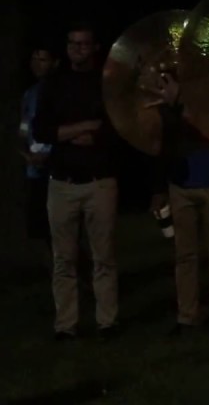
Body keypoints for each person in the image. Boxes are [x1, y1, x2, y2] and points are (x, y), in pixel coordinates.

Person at [31, 21, 119, 340]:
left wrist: (89, 131)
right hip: (62, 182)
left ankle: (107, 320)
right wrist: (83, 128)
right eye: (72, 44)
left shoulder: (106, 82)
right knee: (63, 258)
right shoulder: (53, 84)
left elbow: (117, 126)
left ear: (94, 47)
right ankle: (66, 324)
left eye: (83, 44)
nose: (77, 50)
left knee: (103, 255)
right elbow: (41, 129)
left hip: (99, 181)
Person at [151, 145, 209, 333]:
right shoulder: (176, 117)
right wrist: (159, 189)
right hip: (181, 187)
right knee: (185, 255)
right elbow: (162, 145)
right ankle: (187, 316)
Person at [18, 45, 57, 247]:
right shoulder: (29, 94)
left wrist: (48, 156)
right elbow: (24, 130)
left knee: (60, 229)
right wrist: (26, 154)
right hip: (34, 170)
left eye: (43, 59)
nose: (37, 64)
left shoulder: (58, 91)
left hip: (55, 170)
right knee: (40, 230)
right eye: (34, 58)